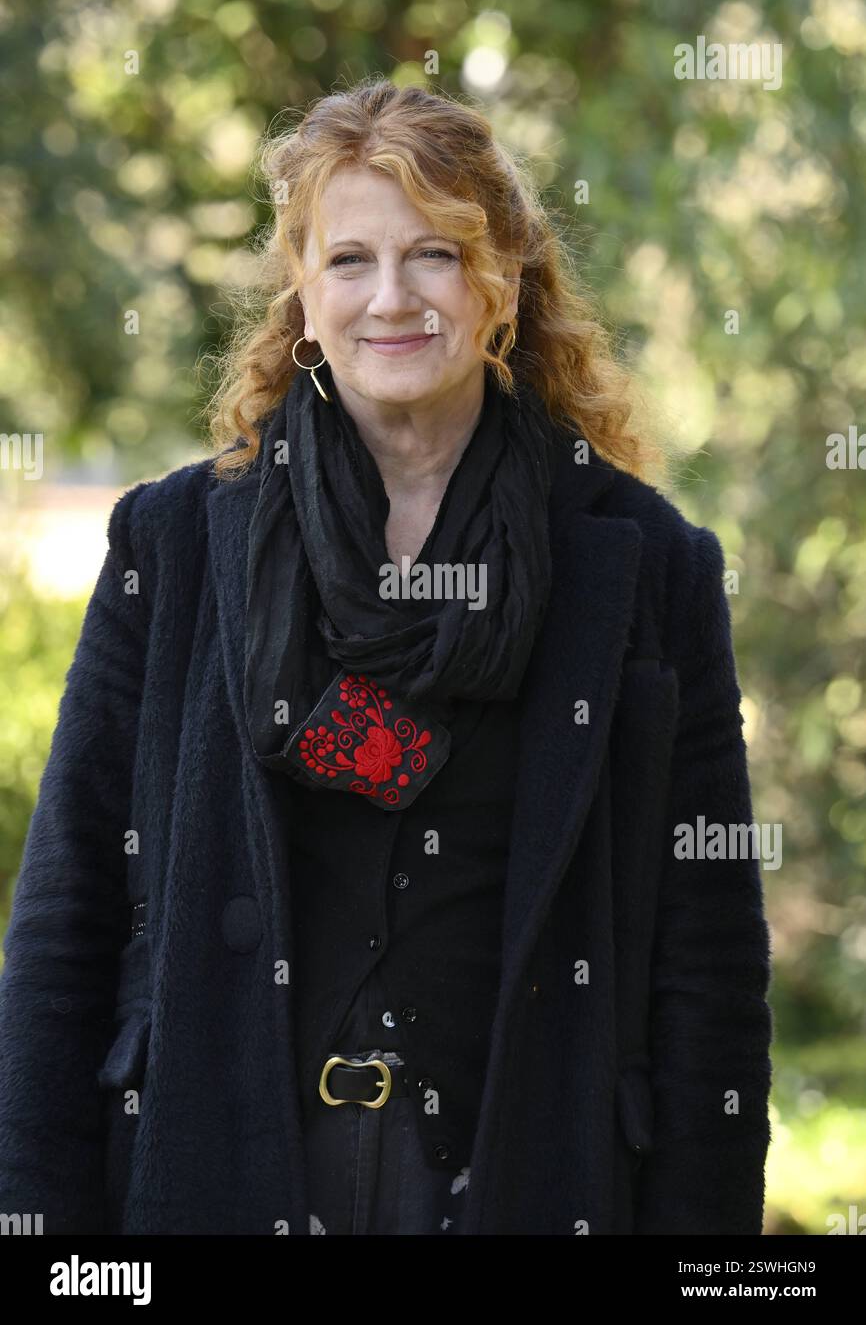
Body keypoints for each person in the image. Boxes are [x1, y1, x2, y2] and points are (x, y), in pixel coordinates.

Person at [0, 77, 773, 1236]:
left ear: (501, 279)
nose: (391, 298)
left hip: (521, 1174)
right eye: (349, 259)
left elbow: (705, 965)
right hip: (217, 1166)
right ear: (301, 292)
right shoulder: (169, 544)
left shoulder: (644, 564)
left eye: (435, 255)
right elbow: (65, 920)